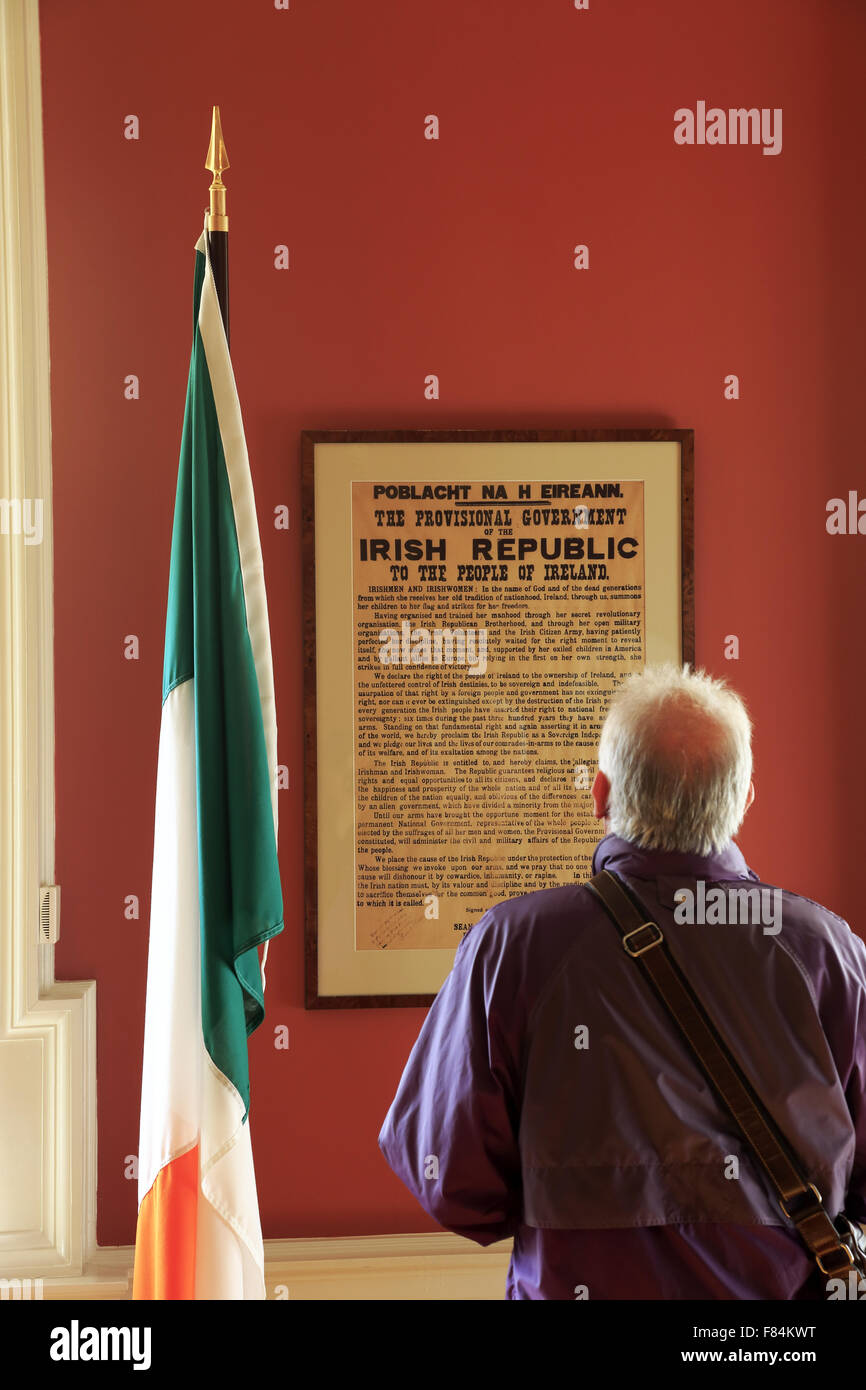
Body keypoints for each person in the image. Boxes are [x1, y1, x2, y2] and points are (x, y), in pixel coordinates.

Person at [377, 664, 866, 1299]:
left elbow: (450, 1180)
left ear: (601, 793)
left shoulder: (513, 945)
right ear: (745, 800)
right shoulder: (827, 949)